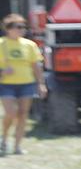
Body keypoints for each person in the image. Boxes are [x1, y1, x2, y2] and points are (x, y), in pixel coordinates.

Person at [0, 14, 46, 156]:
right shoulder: (1, 44)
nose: (22, 30)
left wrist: (41, 84)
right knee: (10, 112)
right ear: (8, 29)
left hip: (26, 83)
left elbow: (36, 66)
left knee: (23, 114)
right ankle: (4, 138)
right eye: (18, 27)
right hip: (6, 84)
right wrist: (2, 71)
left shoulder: (29, 45)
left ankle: (17, 146)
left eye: (23, 27)